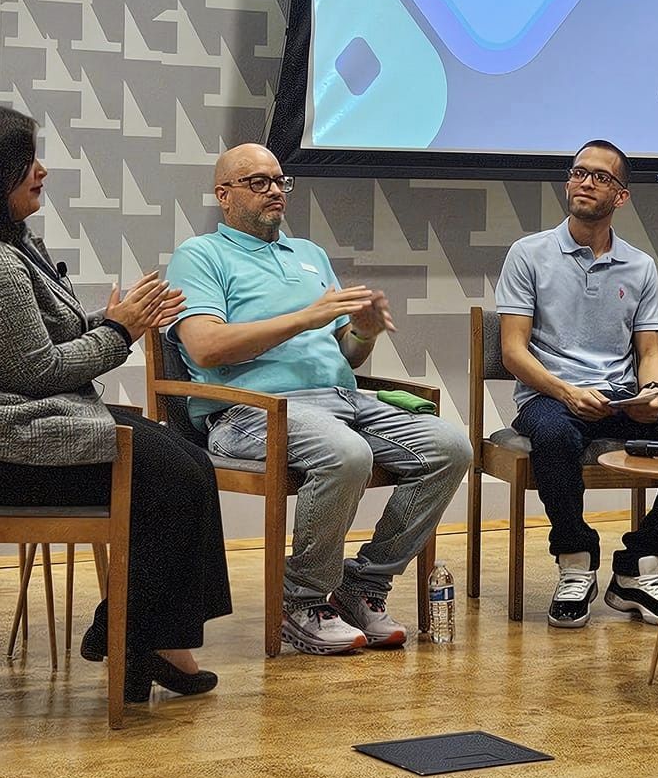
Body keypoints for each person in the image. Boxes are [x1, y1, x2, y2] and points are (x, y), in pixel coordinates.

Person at [0, 103, 232, 702]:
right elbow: (38, 372)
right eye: (28, 161)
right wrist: (122, 330)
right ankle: (134, 636)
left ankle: (139, 636)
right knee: (175, 475)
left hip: (1, 432)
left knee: (185, 461)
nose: (42, 171)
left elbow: (35, 346)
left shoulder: (4, 244)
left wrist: (114, 321)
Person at [166, 144, 468, 655]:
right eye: (258, 182)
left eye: (280, 181)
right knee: (347, 454)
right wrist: (307, 317)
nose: (275, 192)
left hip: (340, 400)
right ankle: (302, 599)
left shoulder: (309, 255)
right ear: (224, 195)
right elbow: (205, 346)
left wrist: (365, 333)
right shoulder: (199, 256)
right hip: (250, 412)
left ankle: (363, 585)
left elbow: (346, 356)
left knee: (450, 446)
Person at [496, 140, 658, 629]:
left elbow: (650, 352)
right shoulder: (529, 253)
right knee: (555, 433)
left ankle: (638, 567)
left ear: (621, 196)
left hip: (619, 395)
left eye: (600, 176)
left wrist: (653, 394)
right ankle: (576, 561)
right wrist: (565, 391)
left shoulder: (640, 265)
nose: (585, 182)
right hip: (550, 396)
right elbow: (513, 352)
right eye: (578, 172)